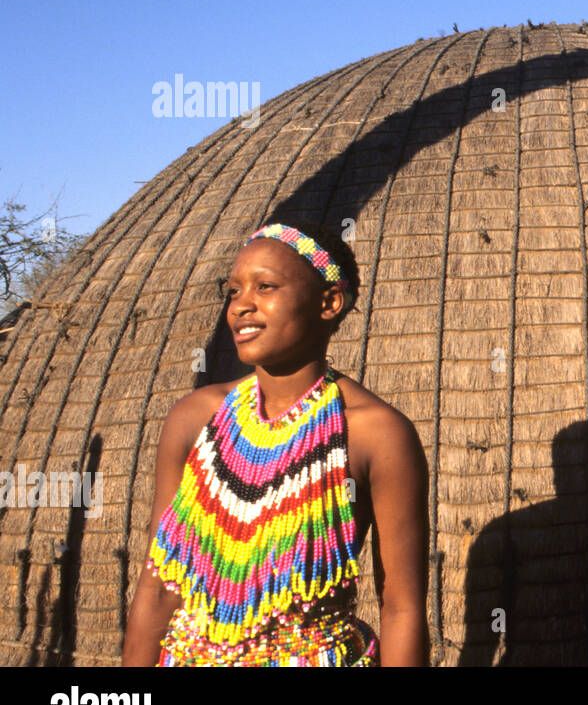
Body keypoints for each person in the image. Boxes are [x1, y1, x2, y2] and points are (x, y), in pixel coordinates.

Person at [121, 221, 429, 666]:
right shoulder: (194, 418)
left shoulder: (374, 434)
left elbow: (401, 607)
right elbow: (159, 585)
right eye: (233, 291)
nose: (241, 305)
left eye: (265, 286)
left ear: (329, 302)